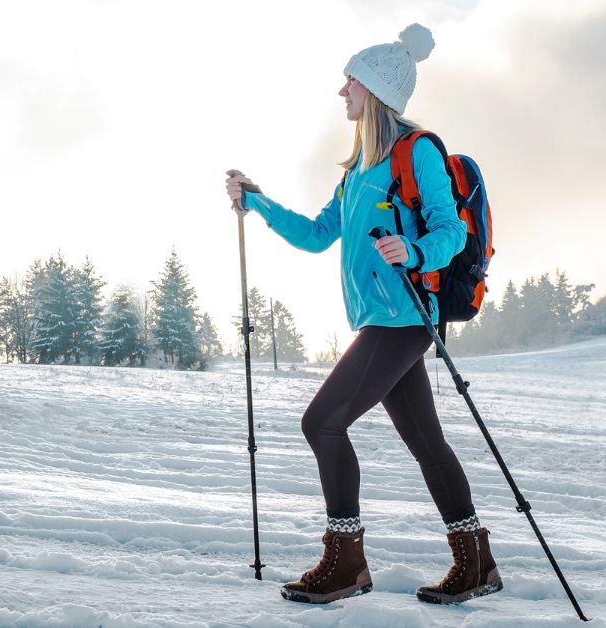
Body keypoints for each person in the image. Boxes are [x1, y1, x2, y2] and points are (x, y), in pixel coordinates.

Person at [225, 24, 502, 606]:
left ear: (375, 88)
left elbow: (450, 229)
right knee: (426, 442)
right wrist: (257, 201)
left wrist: (418, 250)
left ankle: (347, 561)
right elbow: (317, 235)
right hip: (380, 319)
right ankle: (476, 561)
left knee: (321, 423)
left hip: (402, 319)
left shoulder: (417, 149)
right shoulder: (358, 169)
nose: (341, 91)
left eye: (350, 79)